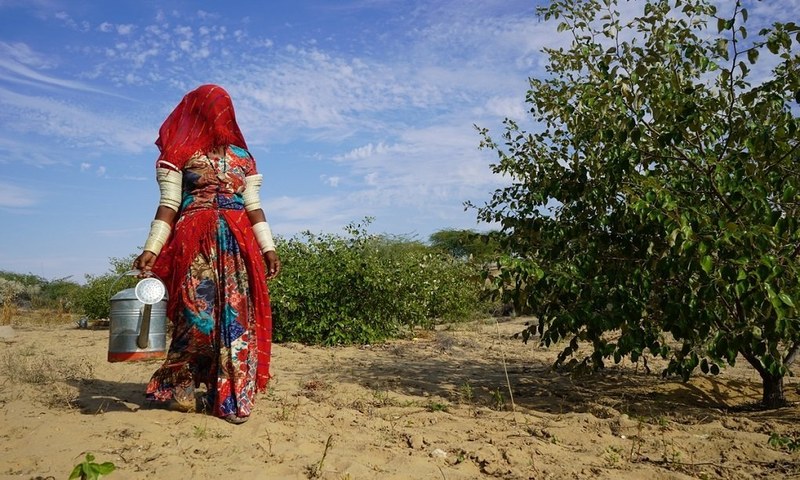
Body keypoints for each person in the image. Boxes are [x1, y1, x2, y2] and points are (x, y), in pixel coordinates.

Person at [133, 84, 281, 424]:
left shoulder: (244, 159)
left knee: (236, 317)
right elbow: (169, 205)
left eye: (223, 108)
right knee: (196, 314)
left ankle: (231, 396)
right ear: (195, 112)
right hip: (194, 243)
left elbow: (254, 207)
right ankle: (181, 386)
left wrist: (268, 247)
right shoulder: (179, 154)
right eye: (211, 108)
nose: (218, 115)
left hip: (237, 245)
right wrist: (151, 249)